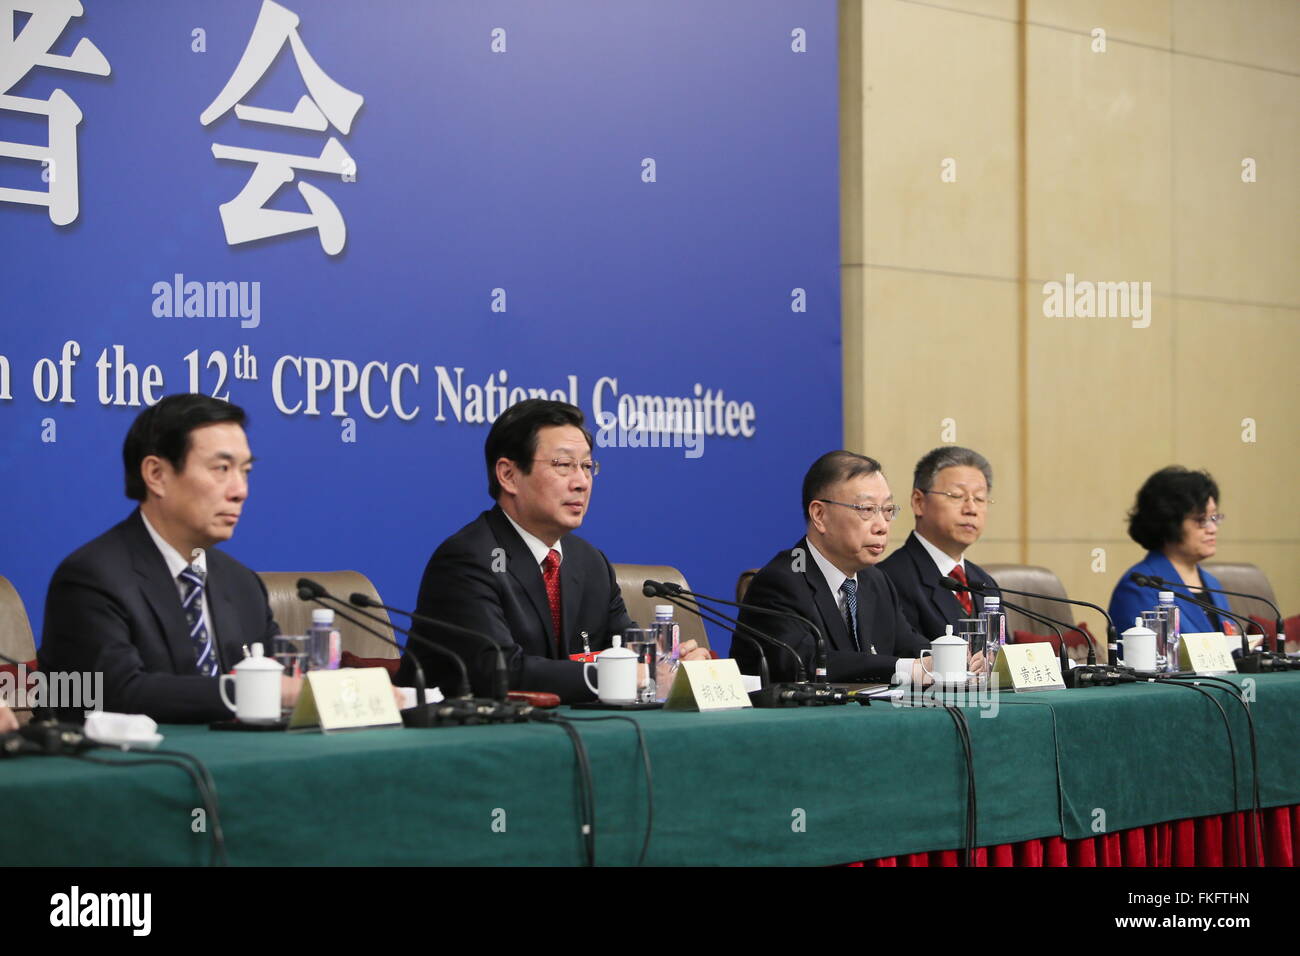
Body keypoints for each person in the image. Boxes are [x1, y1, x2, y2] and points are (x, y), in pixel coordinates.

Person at [399, 399, 708, 702]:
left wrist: (669, 663)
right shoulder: (467, 560)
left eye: (587, 466)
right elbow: (500, 671)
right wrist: (617, 677)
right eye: (563, 465)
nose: (582, 482)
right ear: (508, 475)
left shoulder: (590, 563)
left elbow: (627, 649)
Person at [39, 394, 298, 723]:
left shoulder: (242, 583)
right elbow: (115, 693)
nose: (240, 490)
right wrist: (248, 692)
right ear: (156, 474)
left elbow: (289, 680)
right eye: (222, 469)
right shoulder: (92, 578)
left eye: (245, 471)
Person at [733, 451, 935, 684]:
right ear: (819, 515)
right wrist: (906, 669)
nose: (882, 526)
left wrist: (952, 659)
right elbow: (804, 664)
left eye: (888, 510)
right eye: (867, 510)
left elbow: (910, 645)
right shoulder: (782, 580)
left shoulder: (876, 581)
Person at [879, 446, 999, 642]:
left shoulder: (985, 583)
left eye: (979, 498)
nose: (971, 509)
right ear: (919, 502)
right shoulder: (890, 579)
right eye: (956, 496)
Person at [1109, 466, 1234, 637]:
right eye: (1201, 520)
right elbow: (1142, 658)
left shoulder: (1213, 584)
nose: (1212, 528)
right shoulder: (1139, 587)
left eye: (1214, 517)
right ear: (1169, 522)